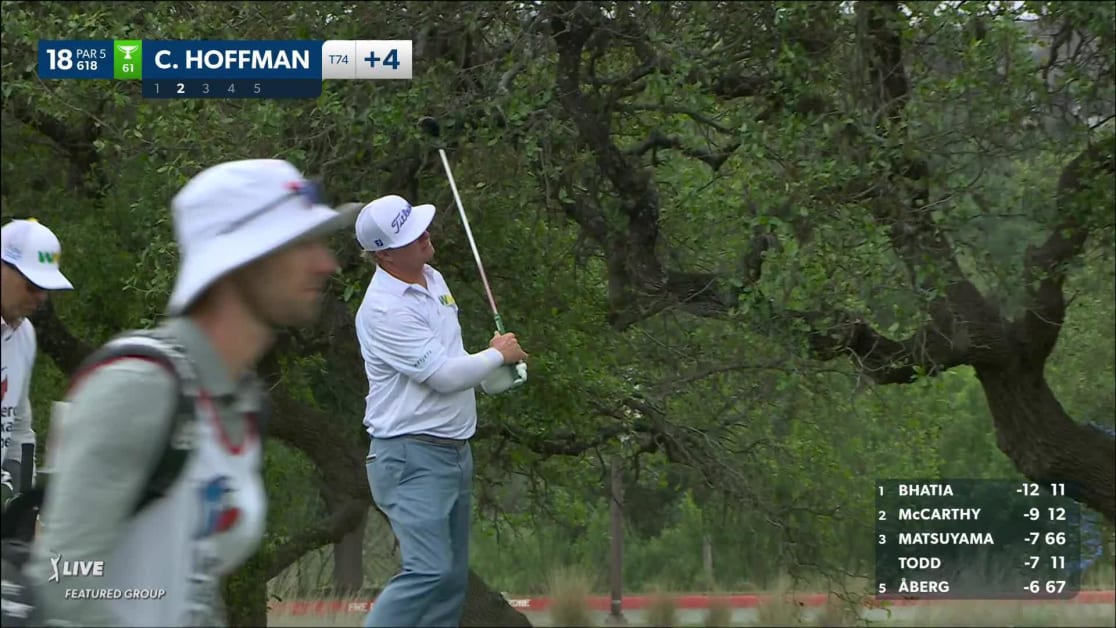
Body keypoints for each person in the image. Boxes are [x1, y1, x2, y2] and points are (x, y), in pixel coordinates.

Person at [27, 159, 359, 627]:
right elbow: (63, 584)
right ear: (240, 261)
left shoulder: (238, 402)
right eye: (301, 243)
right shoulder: (138, 387)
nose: (328, 262)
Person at [353, 194, 528, 627]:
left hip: (453, 452)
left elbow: (451, 358)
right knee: (428, 570)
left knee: (449, 580)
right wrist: (497, 355)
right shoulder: (384, 309)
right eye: (411, 235)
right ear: (385, 254)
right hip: (410, 456)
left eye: (420, 226)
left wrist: (492, 372)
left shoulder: (433, 278)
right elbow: (443, 376)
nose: (425, 235)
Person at [1, 218, 74, 507]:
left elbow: (19, 429)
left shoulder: (25, 335)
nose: (41, 297)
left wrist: (24, 506)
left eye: (46, 287)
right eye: (32, 284)